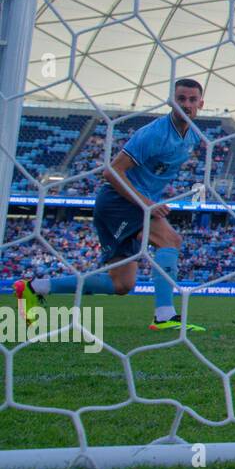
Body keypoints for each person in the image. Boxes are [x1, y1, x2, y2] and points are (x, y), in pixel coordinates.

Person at [15, 78, 209, 332]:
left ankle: (35, 287)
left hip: (130, 204)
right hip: (119, 201)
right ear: (172, 101)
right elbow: (111, 172)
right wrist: (147, 203)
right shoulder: (153, 134)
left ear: (201, 104)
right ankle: (164, 316)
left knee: (122, 285)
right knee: (170, 240)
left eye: (192, 100)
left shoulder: (193, 134)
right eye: (181, 99)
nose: (186, 104)